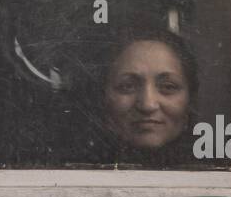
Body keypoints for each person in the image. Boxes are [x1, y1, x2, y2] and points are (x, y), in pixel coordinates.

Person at [81, 29, 200, 167]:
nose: (147, 105)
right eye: (127, 86)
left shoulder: (219, 170)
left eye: (168, 87)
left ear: (190, 99)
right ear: (104, 97)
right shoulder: (71, 170)